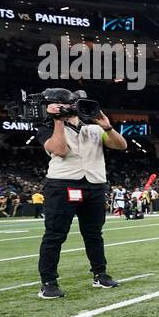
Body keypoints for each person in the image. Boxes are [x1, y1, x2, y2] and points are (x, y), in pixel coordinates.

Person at [36, 88, 124, 299]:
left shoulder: (92, 126)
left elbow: (121, 145)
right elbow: (60, 150)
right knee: (55, 235)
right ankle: (48, 282)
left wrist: (108, 127)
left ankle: (100, 274)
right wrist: (57, 120)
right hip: (62, 184)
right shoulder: (44, 127)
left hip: (94, 184)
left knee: (94, 234)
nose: (72, 108)